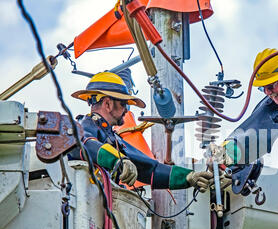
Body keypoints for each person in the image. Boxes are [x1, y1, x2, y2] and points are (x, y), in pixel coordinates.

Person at [69, 71, 213, 192]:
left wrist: (188, 177)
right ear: (107, 103)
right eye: (123, 104)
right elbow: (84, 144)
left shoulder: (113, 139)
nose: (126, 110)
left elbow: (150, 168)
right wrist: (118, 161)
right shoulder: (82, 128)